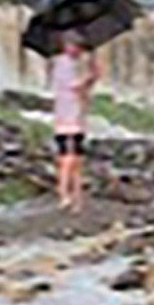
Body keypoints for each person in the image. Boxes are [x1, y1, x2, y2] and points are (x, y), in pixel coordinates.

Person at [51, 31, 100, 212]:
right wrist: (91, 77)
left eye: (79, 47)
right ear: (66, 46)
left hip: (77, 116)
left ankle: (77, 199)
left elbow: (83, 91)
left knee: (78, 160)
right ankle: (63, 194)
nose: (77, 50)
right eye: (74, 46)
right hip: (65, 116)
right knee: (67, 158)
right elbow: (75, 87)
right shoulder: (62, 63)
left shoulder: (75, 64)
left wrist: (92, 79)